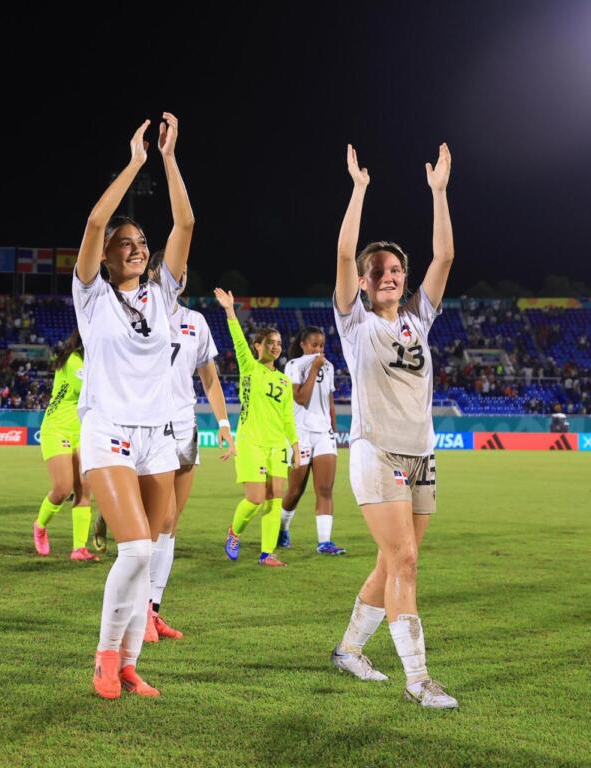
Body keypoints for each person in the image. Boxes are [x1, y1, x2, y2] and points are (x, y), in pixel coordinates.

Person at [329, 143, 457, 709]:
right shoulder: (355, 325)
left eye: (395, 269)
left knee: (394, 559)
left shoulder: (417, 320)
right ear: (361, 282)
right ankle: (418, 679)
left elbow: (445, 257)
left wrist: (438, 193)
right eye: (376, 270)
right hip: (377, 452)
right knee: (404, 560)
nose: (387, 274)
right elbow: (343, 253)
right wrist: (359, 189)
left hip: (422, 454)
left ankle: (349, 650)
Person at [76, 114, 191, 699]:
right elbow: (97, 220)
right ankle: (103, 654)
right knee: (136, 546)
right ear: (107, 257)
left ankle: (127, 663)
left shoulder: (163, 294)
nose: (138, 250)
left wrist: (170, 159)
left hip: (158, 435)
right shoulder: (92, 296)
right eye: (127, 245)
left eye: (142, 243)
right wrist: (138, 162)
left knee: (152, 552)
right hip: (107, 428)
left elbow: (186, 221)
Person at [143, 251, 234, 642]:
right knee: (154, 524)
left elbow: (210, 381)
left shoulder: (195, 322)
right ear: (154, 274)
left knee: (171, 525)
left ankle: (153, 610)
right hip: (148, 426)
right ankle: (137, 612)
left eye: (181, 273)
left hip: (184, 426)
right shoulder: (139, 315)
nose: (177, 277)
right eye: (169, 271)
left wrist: (225, 424)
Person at [219, 289, 300, 568]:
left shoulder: (285, 381)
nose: (276, 347)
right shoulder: (249, 368)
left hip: (277, 445)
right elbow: (238, 340)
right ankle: (234, 532)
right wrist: (230, 311)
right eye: (270, 342)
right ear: (258, 346)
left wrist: (296, 446)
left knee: (275, 498)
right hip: (251, 442)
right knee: (255, 498)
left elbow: (288, 415)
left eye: (278, 343)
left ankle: (268, 553)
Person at [278, 326, 345, 555]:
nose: (319, 349)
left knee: (325, 489)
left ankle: (324, 542)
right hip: (300, 434)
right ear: (303, 345)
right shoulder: (293, 366)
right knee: (295, 490)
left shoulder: (330, 367)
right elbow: (301, 398)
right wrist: (314, 367)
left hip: (323, 434)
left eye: (322, 345)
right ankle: (282, 529)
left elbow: (330, 400)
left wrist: (333, 429)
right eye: (314, 345)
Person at [31, 330, 97, 561]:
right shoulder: (73, 360)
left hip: (82, 430)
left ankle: (79, 548)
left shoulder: (95, 361)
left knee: (84, 488)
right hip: (57, 427)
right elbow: (85, 389)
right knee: (63, 488)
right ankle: (40, 526)